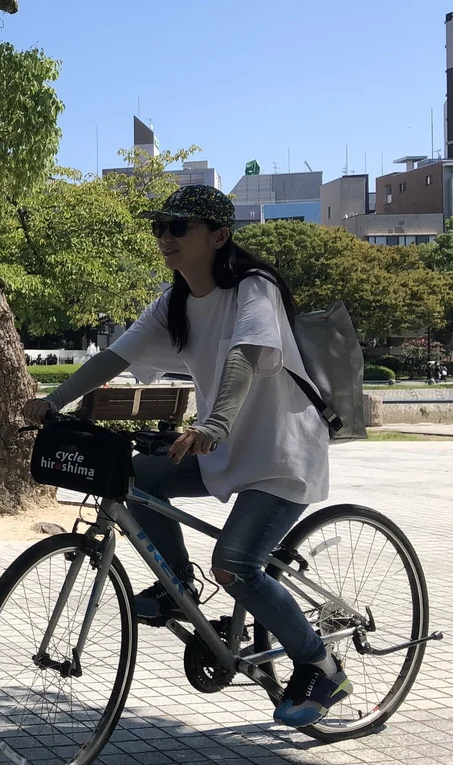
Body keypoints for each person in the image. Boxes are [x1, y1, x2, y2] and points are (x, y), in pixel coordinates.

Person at [22, 185, 344, 728]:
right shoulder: (173, 302)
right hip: (216, 445)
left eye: (178, 226)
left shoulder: (254, 288)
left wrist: (214, 422)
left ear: (219, 236)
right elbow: (115, 357)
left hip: (281, 452)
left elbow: (245, 354)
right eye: (160, 226)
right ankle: (177, 587)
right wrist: (54, 401)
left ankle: (319, 664)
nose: (165, 236)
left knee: (236, 565)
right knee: (133, 478)